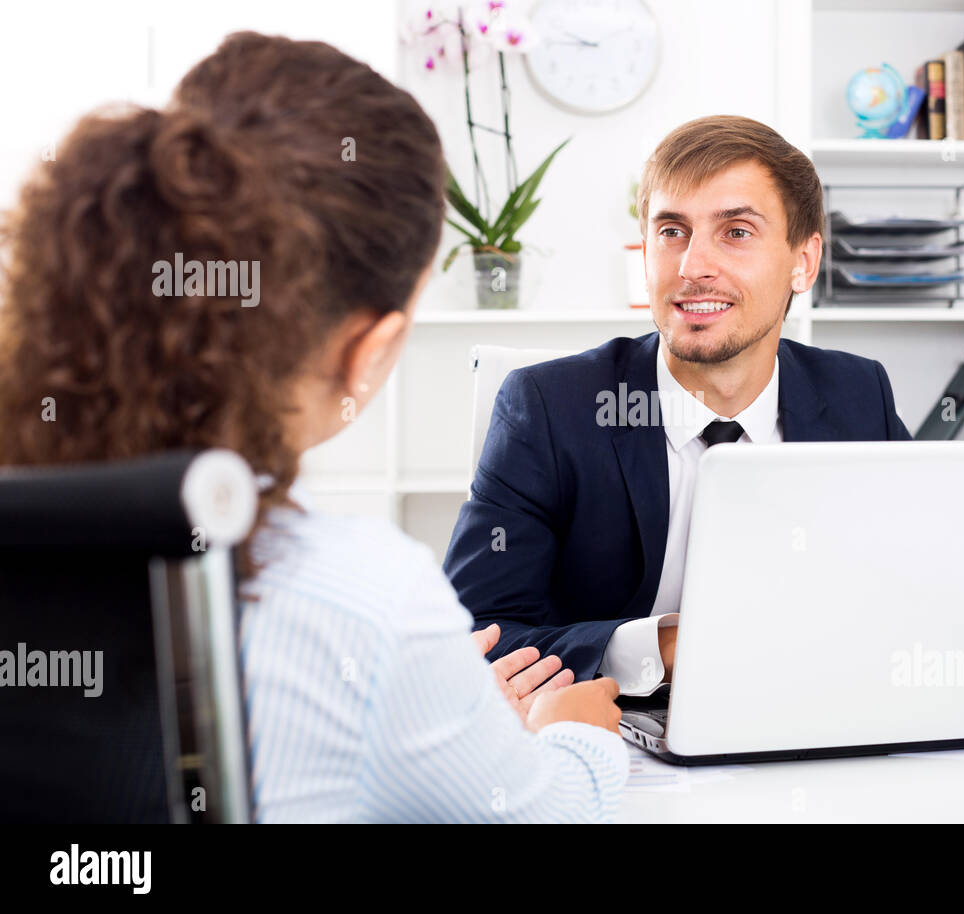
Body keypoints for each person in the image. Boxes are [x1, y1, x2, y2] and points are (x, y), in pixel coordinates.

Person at [0, 32, 626, 822]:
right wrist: (571, 734)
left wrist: (425, 703)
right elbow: (546, 812)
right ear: (370, 347)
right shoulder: (361, 599)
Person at [444, 115, 911, 697]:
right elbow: (472, 640)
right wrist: (655, 646)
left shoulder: (859, 396)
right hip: (613, 743)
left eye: (736, 231)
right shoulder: (548, 409)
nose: (692, 267)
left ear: (804, 261)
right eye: (671, 231)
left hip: (815, 725)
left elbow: (920, 592)